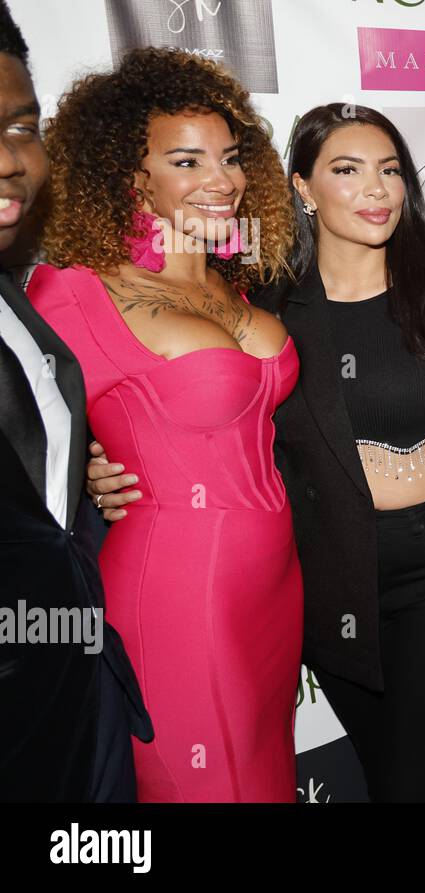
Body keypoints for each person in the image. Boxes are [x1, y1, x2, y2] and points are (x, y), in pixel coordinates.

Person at [92, 104, 425, 802]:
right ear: (302, 186)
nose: (378, 189)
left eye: (391, 171)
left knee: (412, 787)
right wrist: (106, 461)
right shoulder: (263, 316)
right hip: (329, 589)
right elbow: (208, 416)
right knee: (381, 774)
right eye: (348, 170)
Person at [27, 47, 300, 802]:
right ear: (132, 174)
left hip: (274, 592)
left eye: (230, 156)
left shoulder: (229, 280)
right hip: (179, 593)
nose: (224, 180)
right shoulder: (78, 293)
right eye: (188, 161)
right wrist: (75, 470)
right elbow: (22, 425)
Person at [0, 0, 150, 802]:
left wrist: (78, 469)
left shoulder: (20, 300)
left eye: (22, 128)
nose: (7, 159)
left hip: (88, 687)